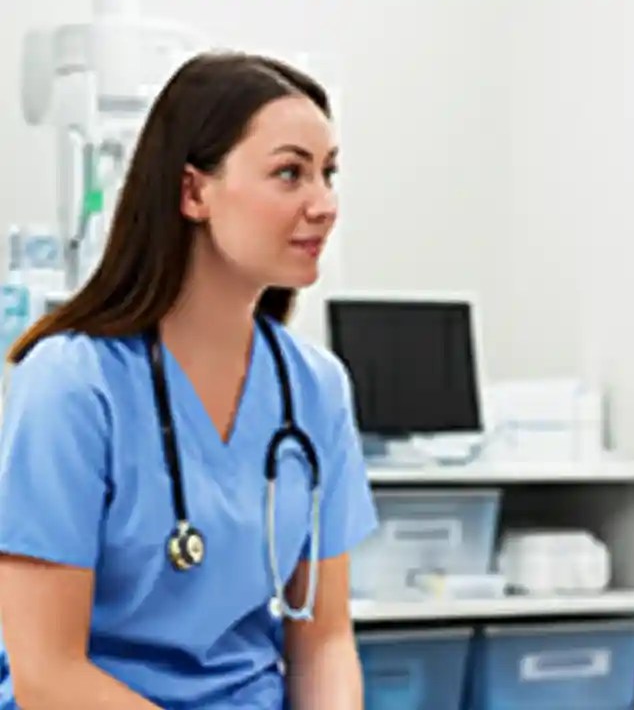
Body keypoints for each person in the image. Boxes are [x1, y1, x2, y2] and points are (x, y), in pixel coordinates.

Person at [0, 51, 378, 708]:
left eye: (329, 174)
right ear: (193, 191)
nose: (325, 204)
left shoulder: (315, 389)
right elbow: (46, 674)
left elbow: (323, 640)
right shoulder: (73, 384)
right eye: (290, 173)